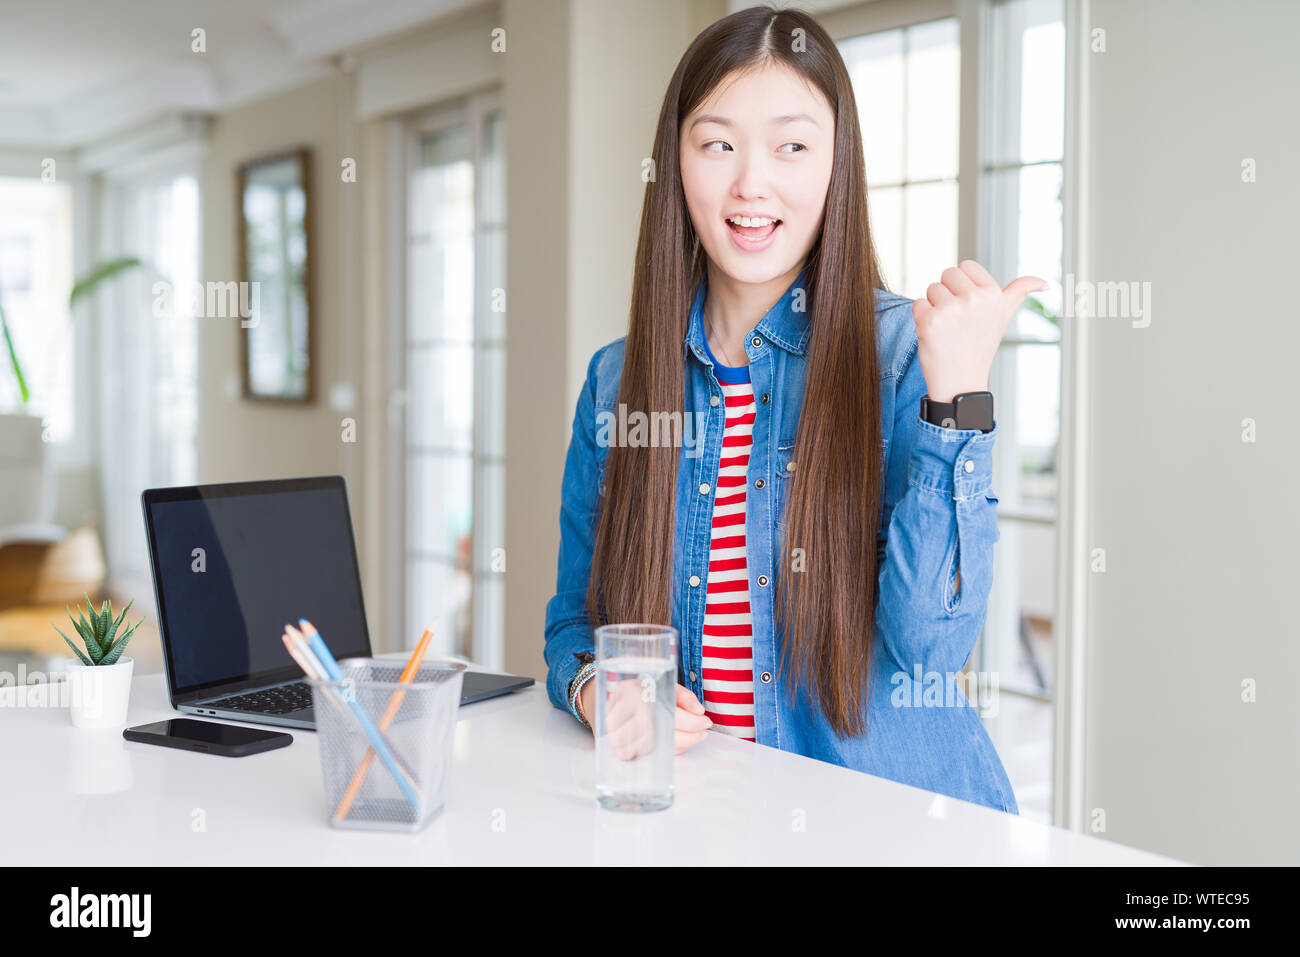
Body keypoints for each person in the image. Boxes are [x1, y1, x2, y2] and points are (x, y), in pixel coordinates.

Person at [543, 4, 1042, 814]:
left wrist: (958, 399)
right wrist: (597, 687)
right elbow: (576, 621)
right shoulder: (617, 385)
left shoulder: (904, 357)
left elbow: (930, 650)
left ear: (836, 165)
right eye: (718, 144)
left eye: (792, 146)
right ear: (675, 162)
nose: (751, 183)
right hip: (713, 824)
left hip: (902, 827)